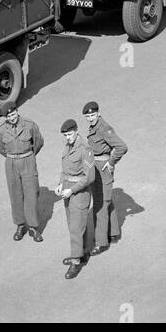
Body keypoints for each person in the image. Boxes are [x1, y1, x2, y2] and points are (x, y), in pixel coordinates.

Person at [83, 101, 128, 254]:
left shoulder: (104, 128)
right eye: (88, 116)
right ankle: (113, 232)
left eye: (92, 115)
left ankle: (101, 242)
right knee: (105, 200)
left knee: (100, 205)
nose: (90, 118)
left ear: (98, 113)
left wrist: (111, 162)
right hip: (95, 167)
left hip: (102, 168)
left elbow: (122, 147)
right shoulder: (95, 126)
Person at [54, 118, 95, 279]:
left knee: (75, 229)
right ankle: (83, 252)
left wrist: (71, 190)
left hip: (79, 193)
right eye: (65, 135)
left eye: (69, 134)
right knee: (75, 225)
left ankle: (76, 261)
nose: (67, 138)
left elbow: (89, 177)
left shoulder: (85, 149)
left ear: (76, 131)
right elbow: (65, 169)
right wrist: (60, 184)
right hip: (68, 191)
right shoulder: (68, 146)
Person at [0, 105, 44, 242]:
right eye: (9, 116)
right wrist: (13, 157)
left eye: (13, 114)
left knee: (31, 194)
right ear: (6, 117)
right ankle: (20, 225)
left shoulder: (29, 125)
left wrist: (29, 156)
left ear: (17, 111)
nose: (12, 117)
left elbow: (38, 142)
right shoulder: (1, 130)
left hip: (28, 160)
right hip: (11, 163)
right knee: (15, 194)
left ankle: (34, 227)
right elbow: (1, 147)